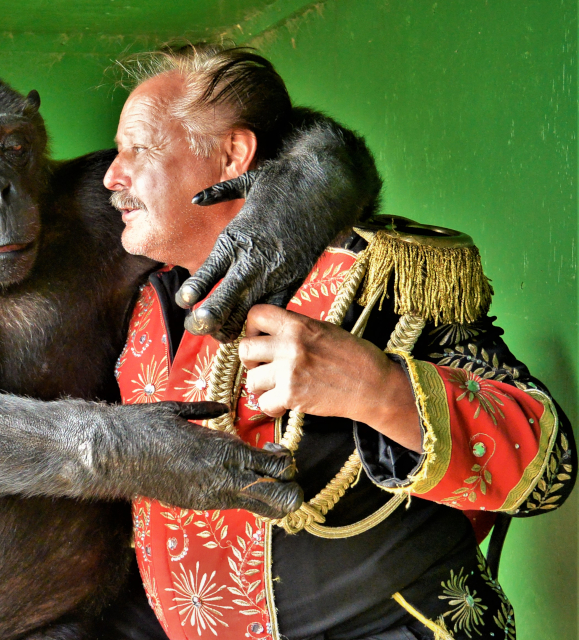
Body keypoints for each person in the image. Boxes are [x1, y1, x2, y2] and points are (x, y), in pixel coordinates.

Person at [103, 44, 574, 640]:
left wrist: (379, 389)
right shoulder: (143, 300)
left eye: (137, 149)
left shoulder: (380, 274)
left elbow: (548, 464)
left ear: (232, 154)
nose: (110, 176)